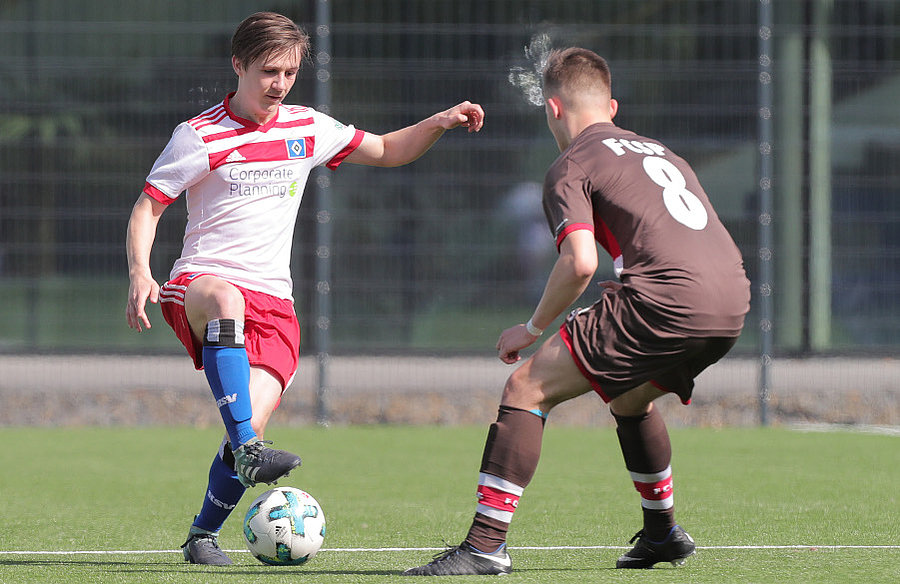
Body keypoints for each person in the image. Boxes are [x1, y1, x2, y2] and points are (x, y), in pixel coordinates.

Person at [125, 11, 484, 566]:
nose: (280, 83)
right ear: (238, 64)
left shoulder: (307, 128)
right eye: (269, 71)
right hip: (200, 285)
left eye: (290, 72)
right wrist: (140, 273)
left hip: (276, 307)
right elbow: (149, 206)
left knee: (251, 422)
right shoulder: (199, 136)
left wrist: (438, 121)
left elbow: (388, 150)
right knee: (228, 310)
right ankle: (248, 450)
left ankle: (202, 536)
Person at [401, 47, 749, 576]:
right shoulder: (661, 152)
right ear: (611, 105)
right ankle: (661, 535)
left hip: (666, 301)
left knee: (526, 389)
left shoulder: (573, 163)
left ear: (553, 109)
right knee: (630, 400)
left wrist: (532, 328)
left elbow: (581, 262)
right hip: (730, 303)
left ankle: (484, 547)